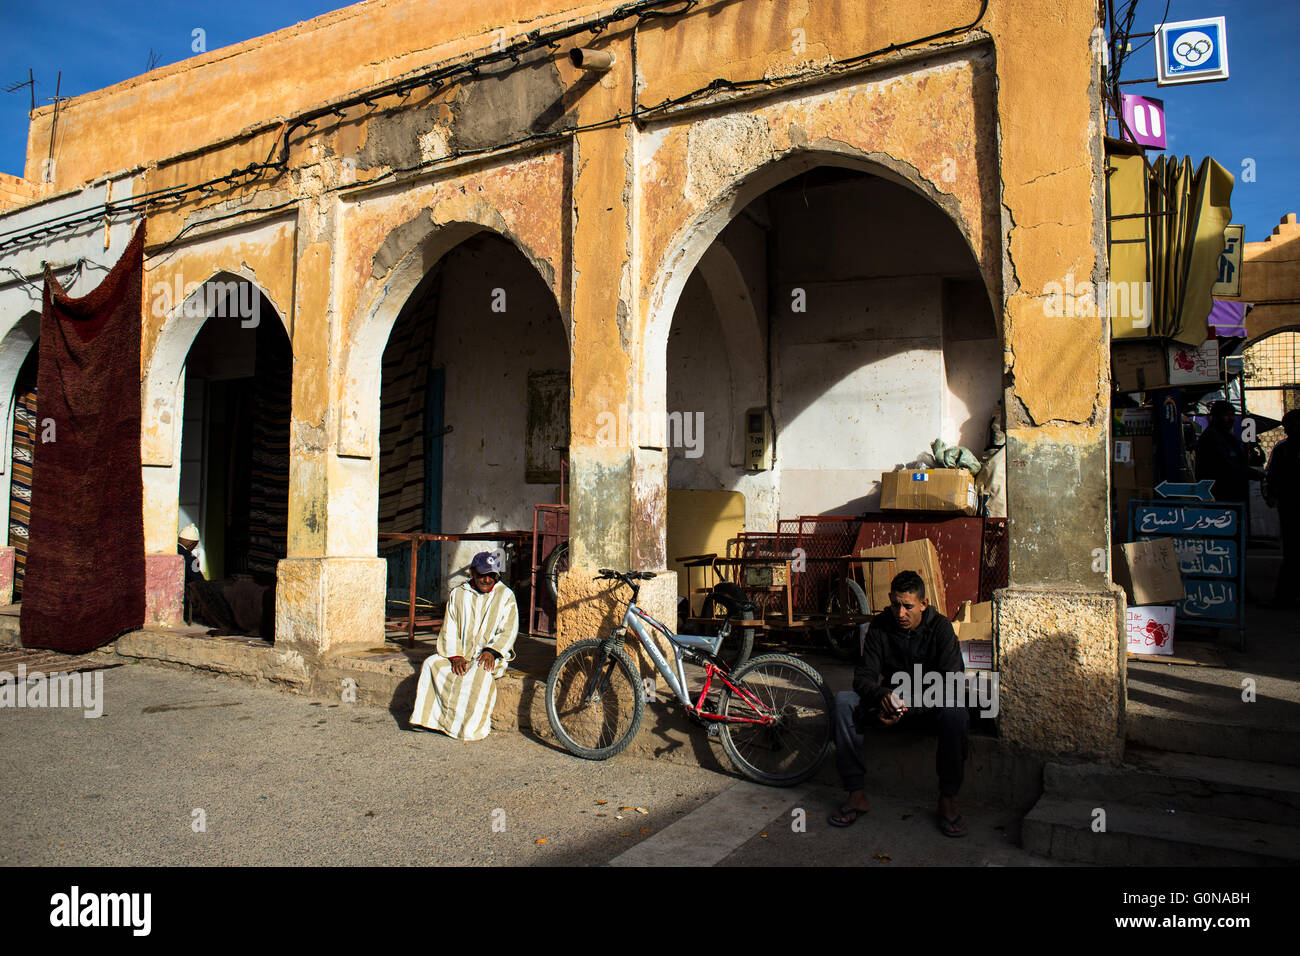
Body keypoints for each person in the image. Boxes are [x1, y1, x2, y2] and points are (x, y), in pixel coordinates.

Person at [828, 570, 970, 837]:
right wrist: (883, 695)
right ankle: (856, 793)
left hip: (925, 707)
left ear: (923, 604)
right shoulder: (881, 626)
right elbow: (863, 677)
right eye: (896, 605)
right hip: (888, 704)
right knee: (844, 701)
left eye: (908, 606)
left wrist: (907, 706)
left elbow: (951, 682)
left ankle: (947, 800)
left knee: (956, 713)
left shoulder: (941, 629)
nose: (900, 613)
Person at [409, 551, 520, 741]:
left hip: (489, 655)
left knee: (480, 672)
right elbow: (449, 628)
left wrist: (492, 651)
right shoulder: (458, 594)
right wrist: (455, 656)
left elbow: (509, 630)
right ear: (472, 572)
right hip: (460, 652)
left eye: (491, 575)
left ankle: (467, 729)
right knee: (431, 664)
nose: (486, 580)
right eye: (482, 575)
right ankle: (429, 720)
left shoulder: (505, 596)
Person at [1264, 410, 1300, 607]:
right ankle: (1286, 595)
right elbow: (1272, 476)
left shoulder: (1284, 449)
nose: (1286, 429)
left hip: (1290, 506)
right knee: (1292, 552)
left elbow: (1272, 476)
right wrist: (1272, 494)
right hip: (1290, 507)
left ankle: (1286, 595)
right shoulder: (1283, 449)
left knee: (1293, 552)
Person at [1195, 400, 1262, 503]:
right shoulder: (1212, 437)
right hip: (1221, 495)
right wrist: (1254, 473)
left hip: (1233, 495)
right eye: (1226, 415)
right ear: (1216, 416)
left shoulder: (1227, 437)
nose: (1231, 419)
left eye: (1232, 415)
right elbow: (1227, 466)